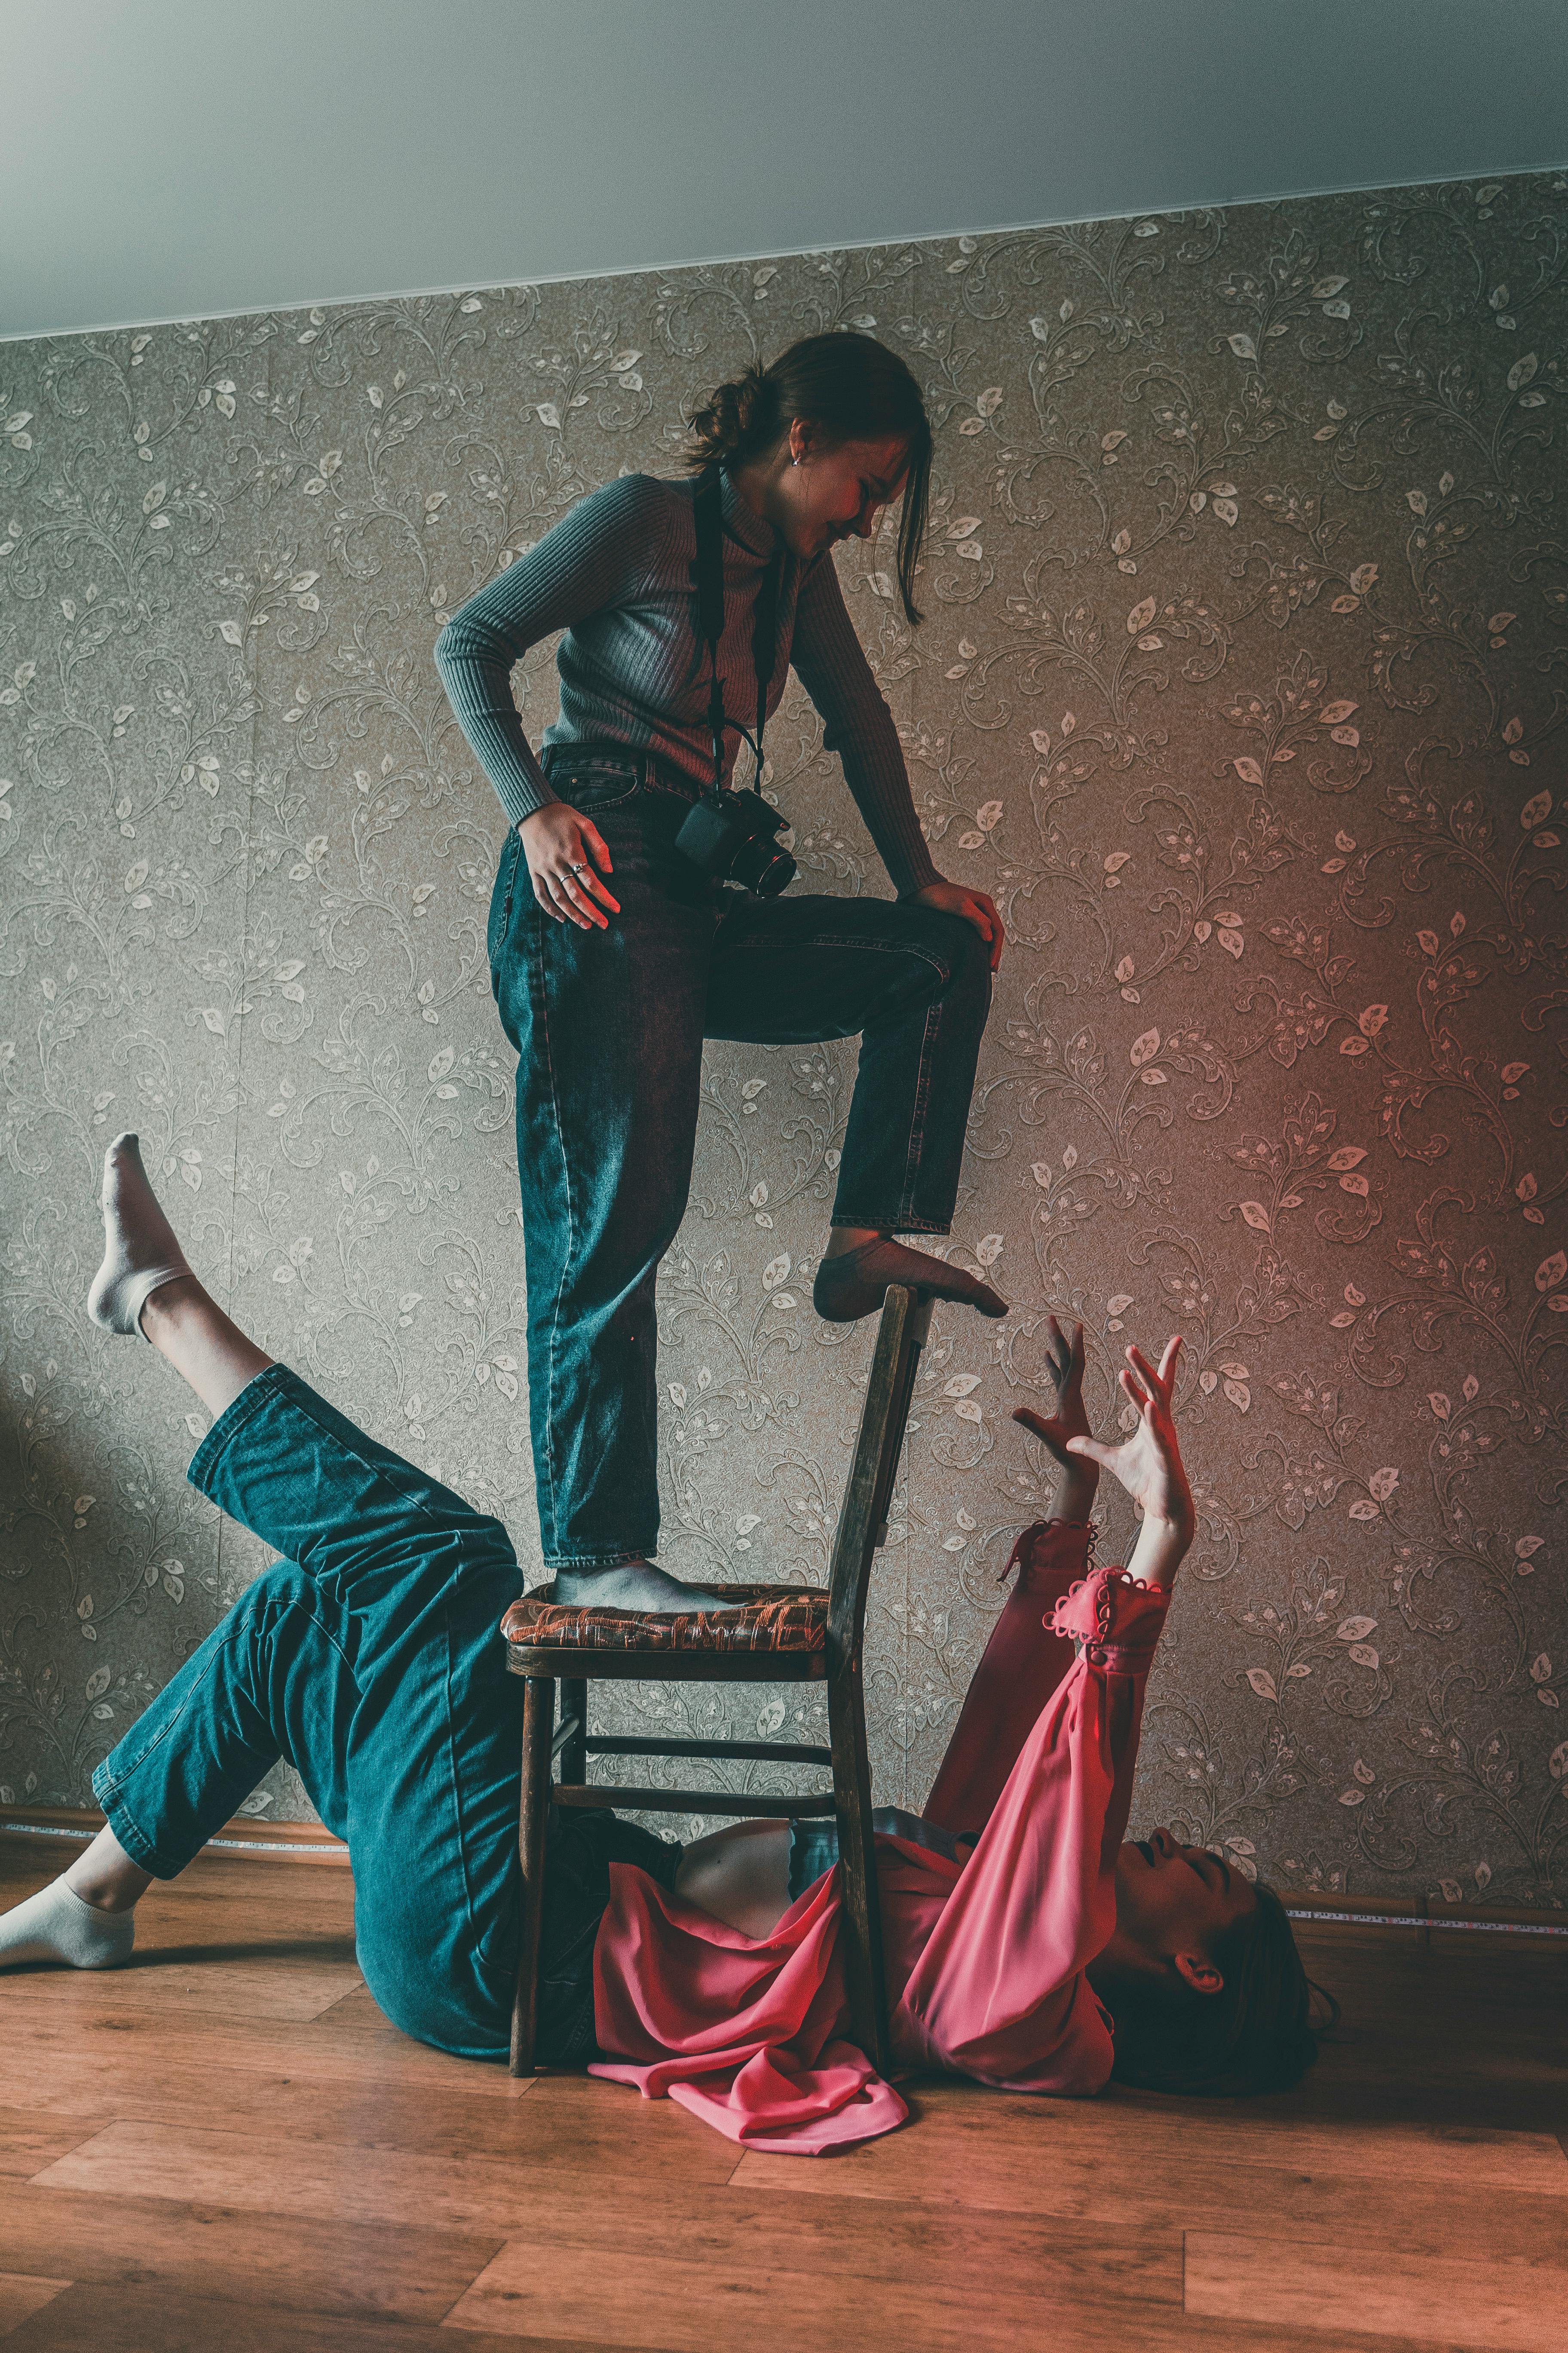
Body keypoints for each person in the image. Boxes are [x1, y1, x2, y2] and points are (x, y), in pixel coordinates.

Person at [1, 1140, 1325, 2154]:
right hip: (536, 1873)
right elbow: (1014, 1743)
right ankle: (92, 1901)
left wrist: (1162, 1554)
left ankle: (161, 1303)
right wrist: (1079, 1521)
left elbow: (1066, 1829)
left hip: (499, 1945)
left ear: (1195, 1962)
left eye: (1203, 1871)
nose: (1175, 1842)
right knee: (314, 1609)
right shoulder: (995, 1892)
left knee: (440, 1562)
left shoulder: (1050, 2024)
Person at [435, 332, 1008, 1611]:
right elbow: (469, 645)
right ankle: (597, 1559)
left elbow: (858, 720)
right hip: (593, 867)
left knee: (938, 953)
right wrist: (530, 811)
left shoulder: (797, 576)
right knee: (621, 1211)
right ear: (800, 442)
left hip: (695, 889)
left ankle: (864, 1238)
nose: (868, 521)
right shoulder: (642, 523)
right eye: (868, 485)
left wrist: (921, 876)